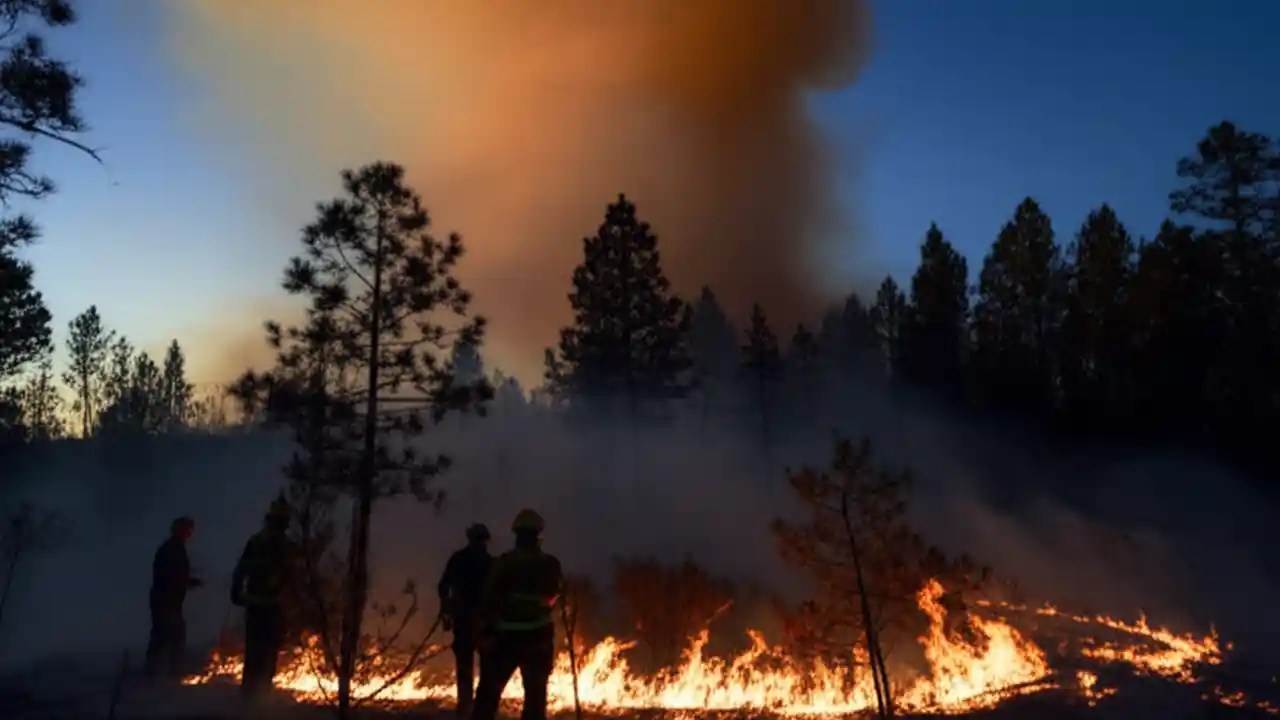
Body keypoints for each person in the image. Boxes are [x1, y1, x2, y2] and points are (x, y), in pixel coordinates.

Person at [471, 509, 563, 720]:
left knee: (487, 698)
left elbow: (488, 599)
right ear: (538, 536)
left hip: (505, 639)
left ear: (517, 535)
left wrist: (483, 633)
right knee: (535, 700)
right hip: (538, 639)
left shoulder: (504, 563)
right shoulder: (550, 564)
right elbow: (554, 594)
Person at [231, 495, 295, 699]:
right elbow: (292, 576)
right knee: (267, 653)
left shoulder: (256, 541)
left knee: (256, 652)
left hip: (257, 604)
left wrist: (237, 593)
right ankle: (259, 696)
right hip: (271, 606)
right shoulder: (283, 545)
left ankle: (251, 696)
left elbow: (241, 569)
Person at [438, 523, 493, 718]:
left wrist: (446, 613)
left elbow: (443, 587)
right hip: (481, 623)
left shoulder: (458, 560)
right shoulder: (490, 563)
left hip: (467, 621)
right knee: (483, 669)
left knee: (467, 669)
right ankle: (476, 710)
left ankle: (467, 709)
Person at [146, 516, 202, 678]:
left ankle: (156, 672)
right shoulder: (173, 548)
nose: (190, 533)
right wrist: (189, 581)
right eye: (187, 529)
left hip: (167, 599)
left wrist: (189, 581)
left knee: (163, 635)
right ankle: (169, 673)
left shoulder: (174, 547)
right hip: (166, 599)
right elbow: (172, 575)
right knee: (171, 635)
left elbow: (176, 573)